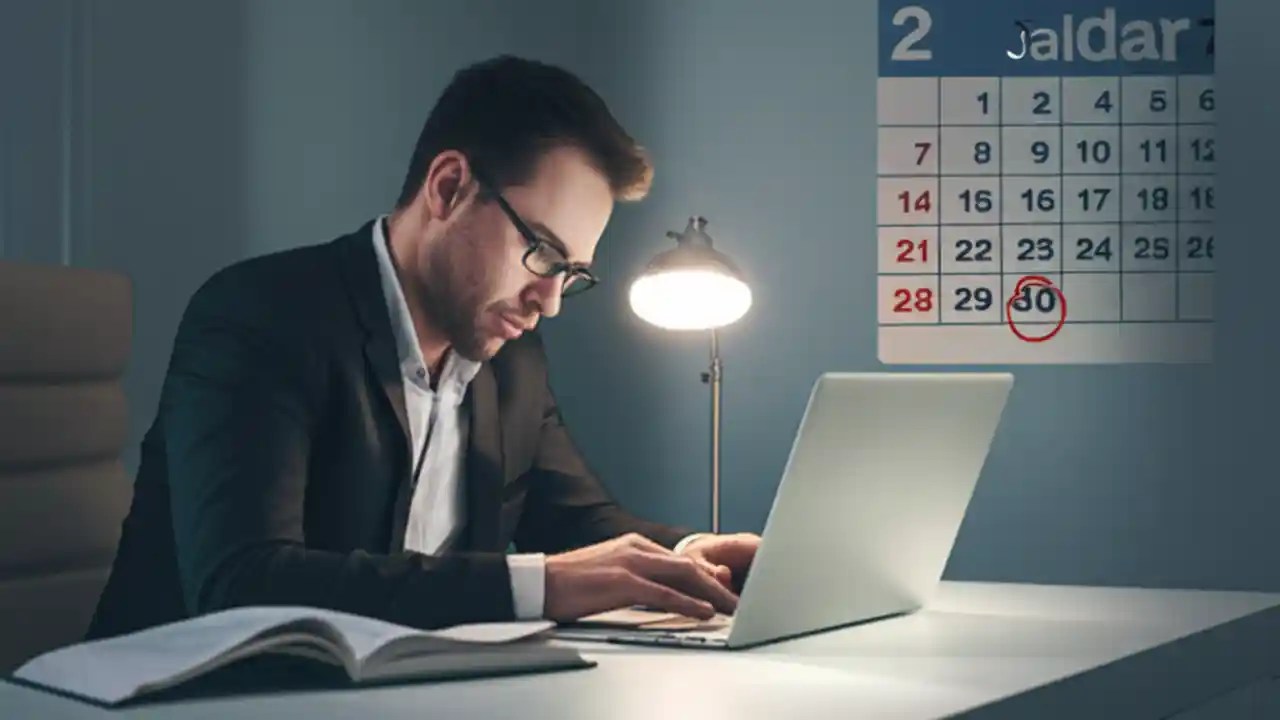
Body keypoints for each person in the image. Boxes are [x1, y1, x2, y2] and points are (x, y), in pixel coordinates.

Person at [86, 55, 761, 640]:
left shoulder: (512, 358)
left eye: (571, 273)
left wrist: (701, 555)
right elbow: (243, 582)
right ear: (448, 187)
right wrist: (540, 585)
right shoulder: (260, 316)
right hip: (182, 700)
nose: (550, 300)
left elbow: (578, 523)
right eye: (543, 253)